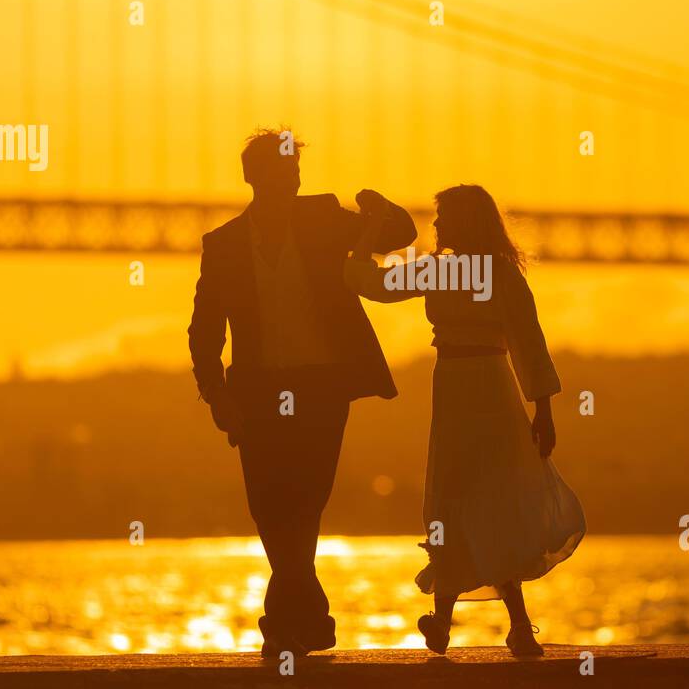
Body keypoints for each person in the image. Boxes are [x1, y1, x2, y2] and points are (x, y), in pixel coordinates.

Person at [188, 127, 416, 657]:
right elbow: (205, 329)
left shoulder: (325, 223)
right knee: (269, 505)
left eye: (295, 171)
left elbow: (399, 234)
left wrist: (378, 205)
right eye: (283, 171)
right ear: (254, 177)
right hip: (255, 390)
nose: (293, 179)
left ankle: (286, 625)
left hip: (321, 384)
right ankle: (305, 621)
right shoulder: (221, 245)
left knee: (306, 500)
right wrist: (217, 395)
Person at [344, 183, 585, 656]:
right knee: (486, 501)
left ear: (465, 222)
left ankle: (452, 622)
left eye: (443, 217)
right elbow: (528, 344)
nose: (435, 226)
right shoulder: (495, 273)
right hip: (486, 385)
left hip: (461, 385)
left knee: (456, 497)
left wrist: (370, 229)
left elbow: (365, 281)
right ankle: (494, 624)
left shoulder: (442, 270)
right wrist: (543, 409)